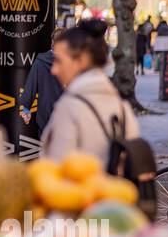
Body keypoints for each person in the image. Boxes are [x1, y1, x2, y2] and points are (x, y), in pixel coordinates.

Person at [41, 19, 140, 164]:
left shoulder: (69, 108)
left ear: (81, 60)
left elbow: (55, 170)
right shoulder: (122, 108)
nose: (54, 69)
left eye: (59, 61)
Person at [18, 28, 66, 139]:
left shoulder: (40, 61)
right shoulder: (69, 62)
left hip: (45, 114)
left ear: (52, 42)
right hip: (65, 113)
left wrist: (26, 109)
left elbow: (30, 87)